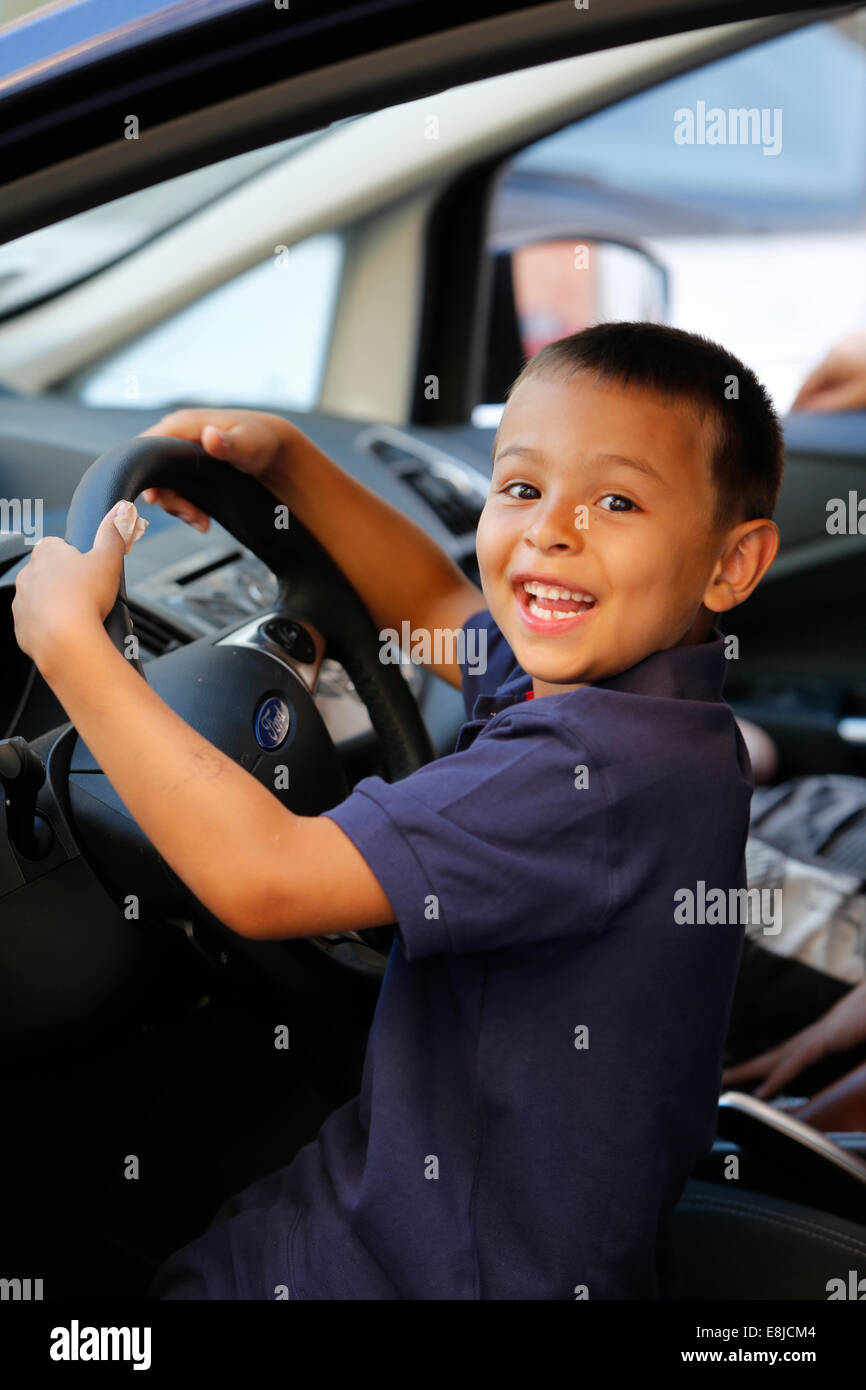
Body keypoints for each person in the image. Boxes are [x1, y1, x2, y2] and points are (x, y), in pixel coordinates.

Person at [10, 322, 782, 1300]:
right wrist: (286, 462)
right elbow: (430, 599)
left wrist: (72, 646)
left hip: (431, 1266)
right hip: (482, 1213)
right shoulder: (647, 710)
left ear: (729, 564)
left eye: (615, 500)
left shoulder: (581, 772)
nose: (550, 529)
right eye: (520, 487)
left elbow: (263, 879)